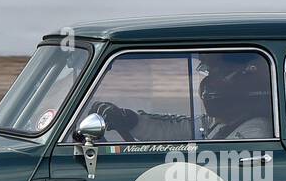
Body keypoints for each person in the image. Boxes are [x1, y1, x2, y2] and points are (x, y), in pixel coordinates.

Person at [91, 55, 273, 142]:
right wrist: (129, 119)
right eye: (208, 72)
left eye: (219, 72)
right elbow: (178, 128)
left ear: (244, 80)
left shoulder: (255, 132)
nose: (209, 82)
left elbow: (213, 163)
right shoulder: (219, 123)